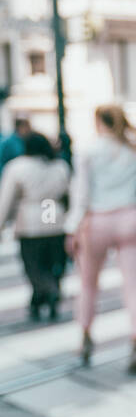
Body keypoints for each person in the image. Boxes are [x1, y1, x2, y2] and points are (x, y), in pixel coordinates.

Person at [65, 105, 136, 375]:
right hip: (131, 217)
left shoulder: (89, 151)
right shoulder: (135, 150)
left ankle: (86, 337)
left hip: (98, 219)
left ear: (98, 121)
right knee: (134, 284)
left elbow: (81, 193)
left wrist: (72, 228)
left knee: (88, 284)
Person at [0, 131, 71, 320]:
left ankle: (49, 291)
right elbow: (69, 193)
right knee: (53, 264)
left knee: (34, 267)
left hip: (30, 223)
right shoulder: (59, 166)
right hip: (55, 219)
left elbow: (6, 200)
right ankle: (41, 300)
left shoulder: (17, 167)